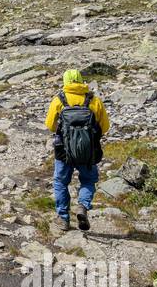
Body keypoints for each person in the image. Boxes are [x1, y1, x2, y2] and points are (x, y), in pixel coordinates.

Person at [43, 68, 110, 232]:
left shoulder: (59, 100)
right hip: (88, 152)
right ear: (81, 80)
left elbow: (50, 125)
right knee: (88, 180)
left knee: (60, 182)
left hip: (64, 151)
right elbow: (105, 127)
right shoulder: (93, 100)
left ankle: (63, 219)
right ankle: (82, 206)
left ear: (65, 81)